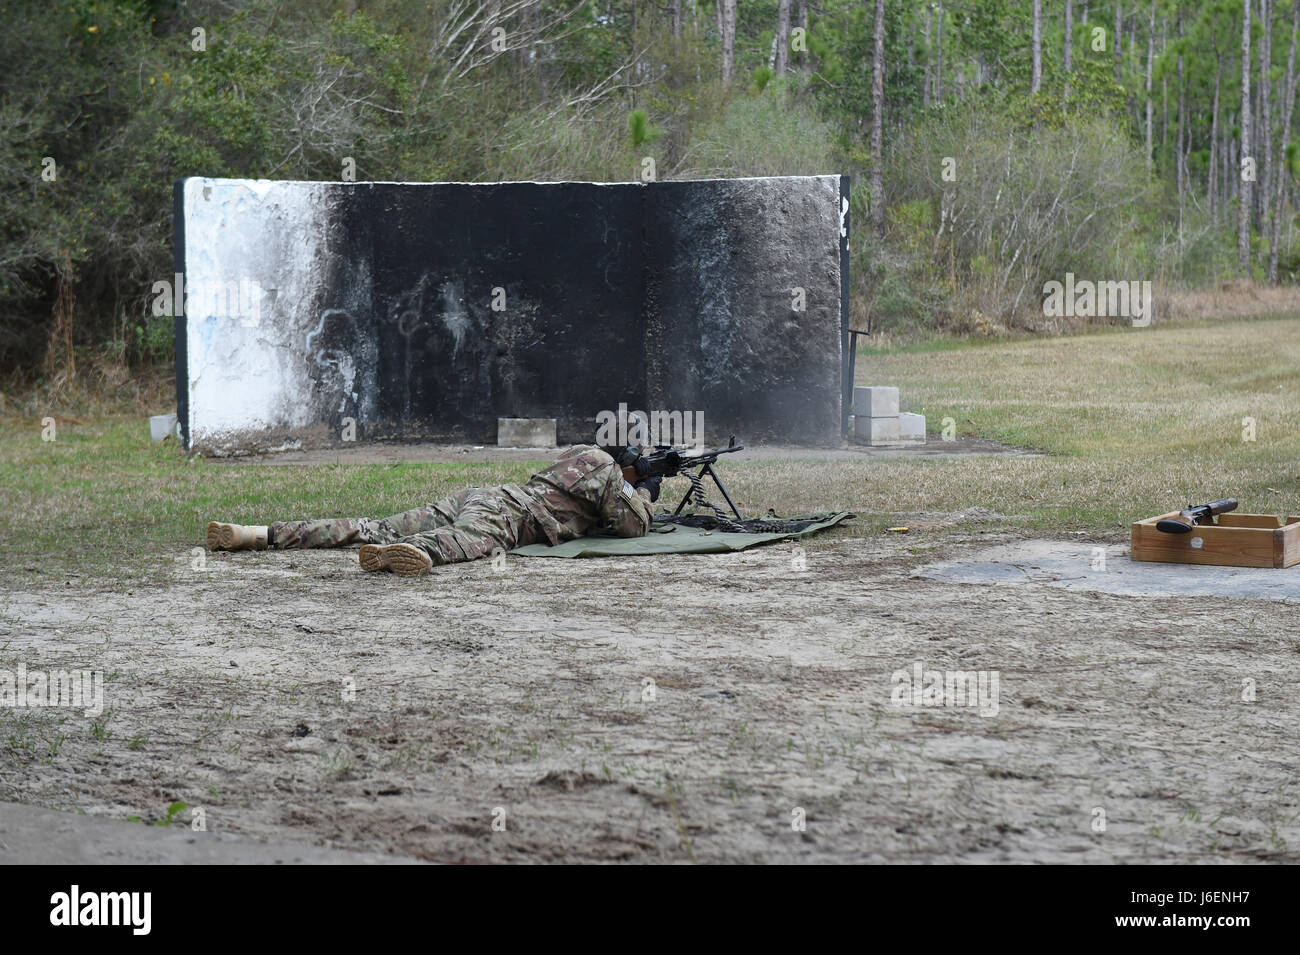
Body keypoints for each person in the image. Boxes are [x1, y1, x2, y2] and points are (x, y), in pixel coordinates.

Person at [205, 443, 663, 576]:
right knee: (469, 542)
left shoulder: (582, 452)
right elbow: (632, 528)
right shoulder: (605, 470)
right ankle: (409, 553)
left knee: (375, 525)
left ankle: (257, 533)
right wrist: (645, 494)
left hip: (482, 494)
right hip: (508, 514)